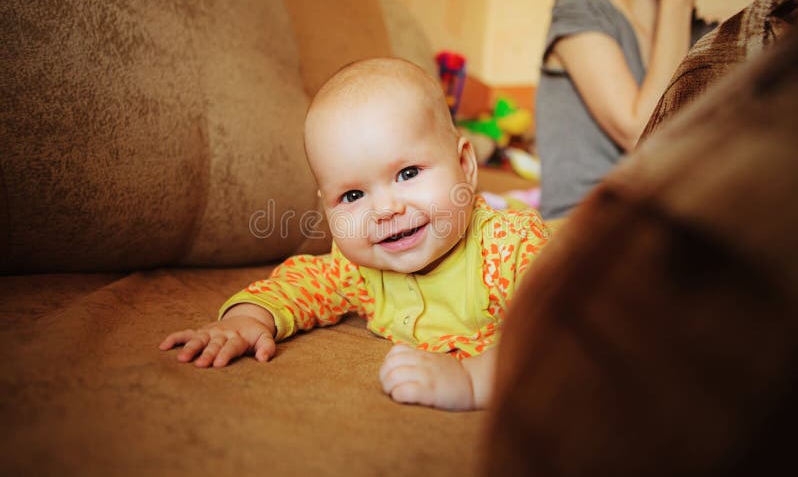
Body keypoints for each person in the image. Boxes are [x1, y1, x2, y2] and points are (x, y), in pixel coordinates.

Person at [160, 58, 551, 411]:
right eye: (352, 195)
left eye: (408, 173)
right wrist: (246, 320)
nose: (385, 210)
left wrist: (472, 380)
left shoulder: (509, 250)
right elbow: (299, 285)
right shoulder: (357, 268)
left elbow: (561, 327)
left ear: (465, 164)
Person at [535, 0, 742, 219]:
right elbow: (642, 133)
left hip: (673, 223)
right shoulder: (582, 9)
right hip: (579, 224)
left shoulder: (717, 40)